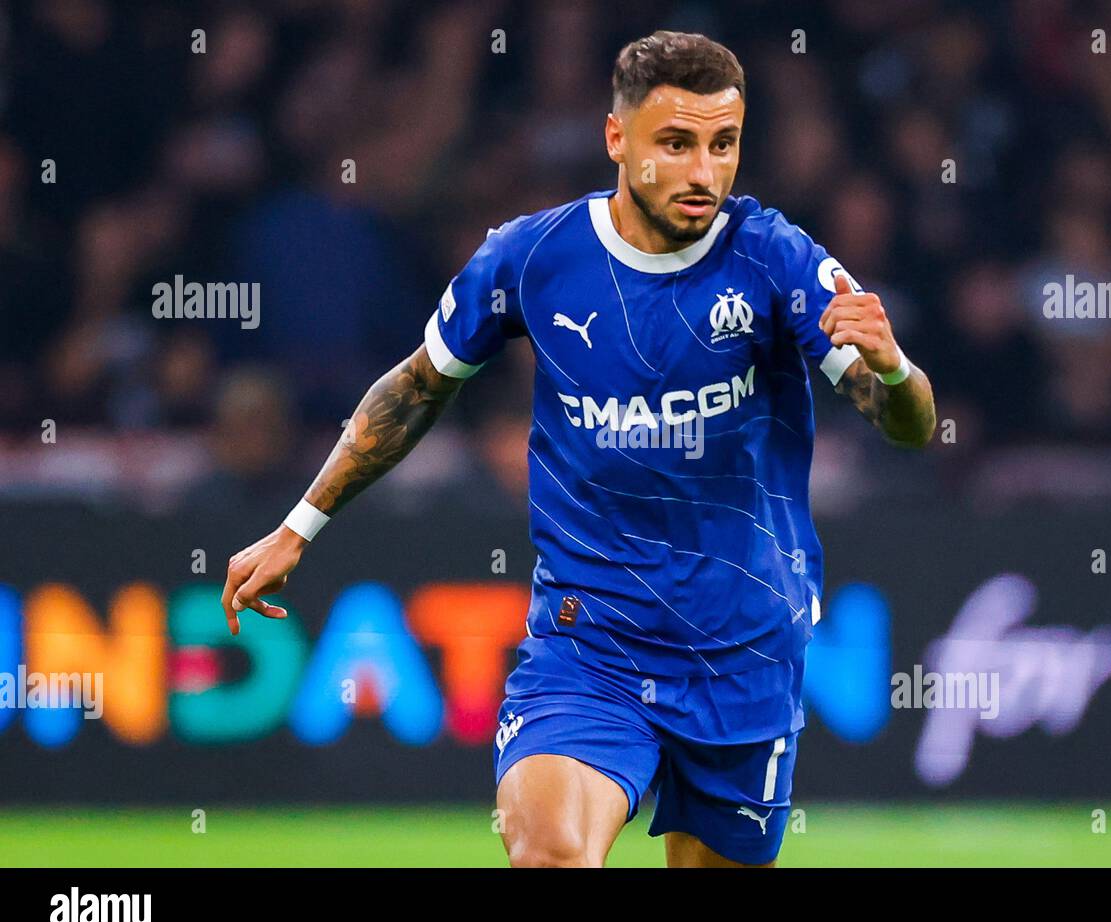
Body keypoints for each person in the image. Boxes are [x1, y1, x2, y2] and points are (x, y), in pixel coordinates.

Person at [220, 30, 935, 867]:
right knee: (553, 855)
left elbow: (908, 424)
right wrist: (300, 524)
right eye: (676, 143)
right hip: (589, 644)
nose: (704, 171)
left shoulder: (779, 260)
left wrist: (894, 369)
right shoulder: (532, 258)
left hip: (743, 652)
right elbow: (417, 386)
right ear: (616, 138)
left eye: (724, 144)